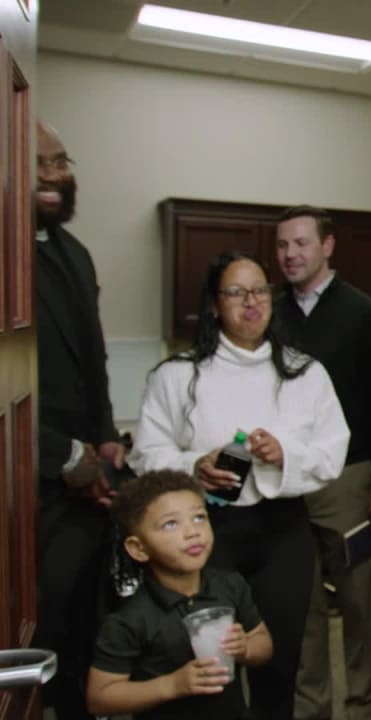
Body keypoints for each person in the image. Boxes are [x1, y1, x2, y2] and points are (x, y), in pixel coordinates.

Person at [130, 251, 350, 718]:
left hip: (284, 531)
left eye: (259, 291)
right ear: (214, 305)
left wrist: (284, 455)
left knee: (281, 657)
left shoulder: (306, 374)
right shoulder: (178, 376)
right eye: (236, 292)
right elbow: (145, 454)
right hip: (206, 531)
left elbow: (333, 451)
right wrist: (194, 465)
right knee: (208, 662)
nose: (251, 302)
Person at [272, 205, 371, 720]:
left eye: (301, 243)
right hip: (286, 479)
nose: (290, 254)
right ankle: (312, 711)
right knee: (300, 611)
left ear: (327, 247)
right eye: (283, 245)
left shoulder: (363, 313)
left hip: (349, 479)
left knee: (360, 608)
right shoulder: (272, 313)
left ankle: (365, 709)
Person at [33, 119, 126, 719]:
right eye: (38, 163)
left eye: (60, 161)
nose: (54, 174)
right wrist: (67, 455)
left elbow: (93, 359)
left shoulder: (74, 252)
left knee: (86, 625)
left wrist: (107, 436)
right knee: (39, 627)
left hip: (88, 478)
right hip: (33, 479)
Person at [86, 470, 273, 720]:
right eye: (171, 524)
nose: (192, 532)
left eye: (199, 517)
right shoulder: (129, 619)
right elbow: (100, 698)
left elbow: (263, 643)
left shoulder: (230, 585)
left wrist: (245, 649)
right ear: (139, 548)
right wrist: (173, 685)